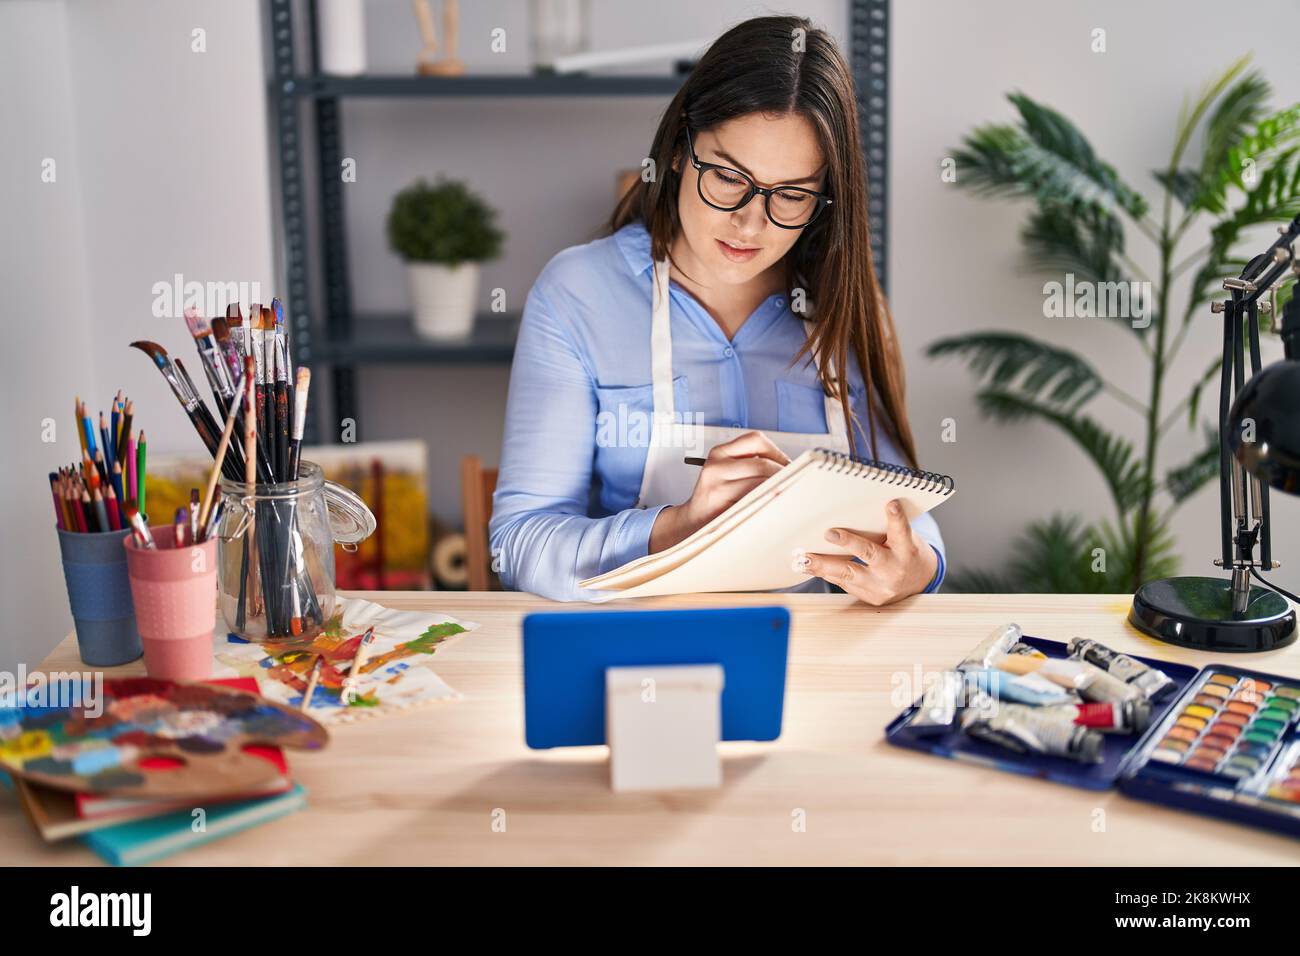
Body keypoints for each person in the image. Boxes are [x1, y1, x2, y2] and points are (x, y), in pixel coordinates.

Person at [490, 15, 945, 603]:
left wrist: (919, 568)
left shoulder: (846, 306)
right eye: (729, 177)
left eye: (791, 194)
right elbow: (518, 546)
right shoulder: (578, 294)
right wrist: (676, 526)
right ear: (680, 150)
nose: (751, 223)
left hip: (814, 662)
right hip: (636, 657)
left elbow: (907, 512)